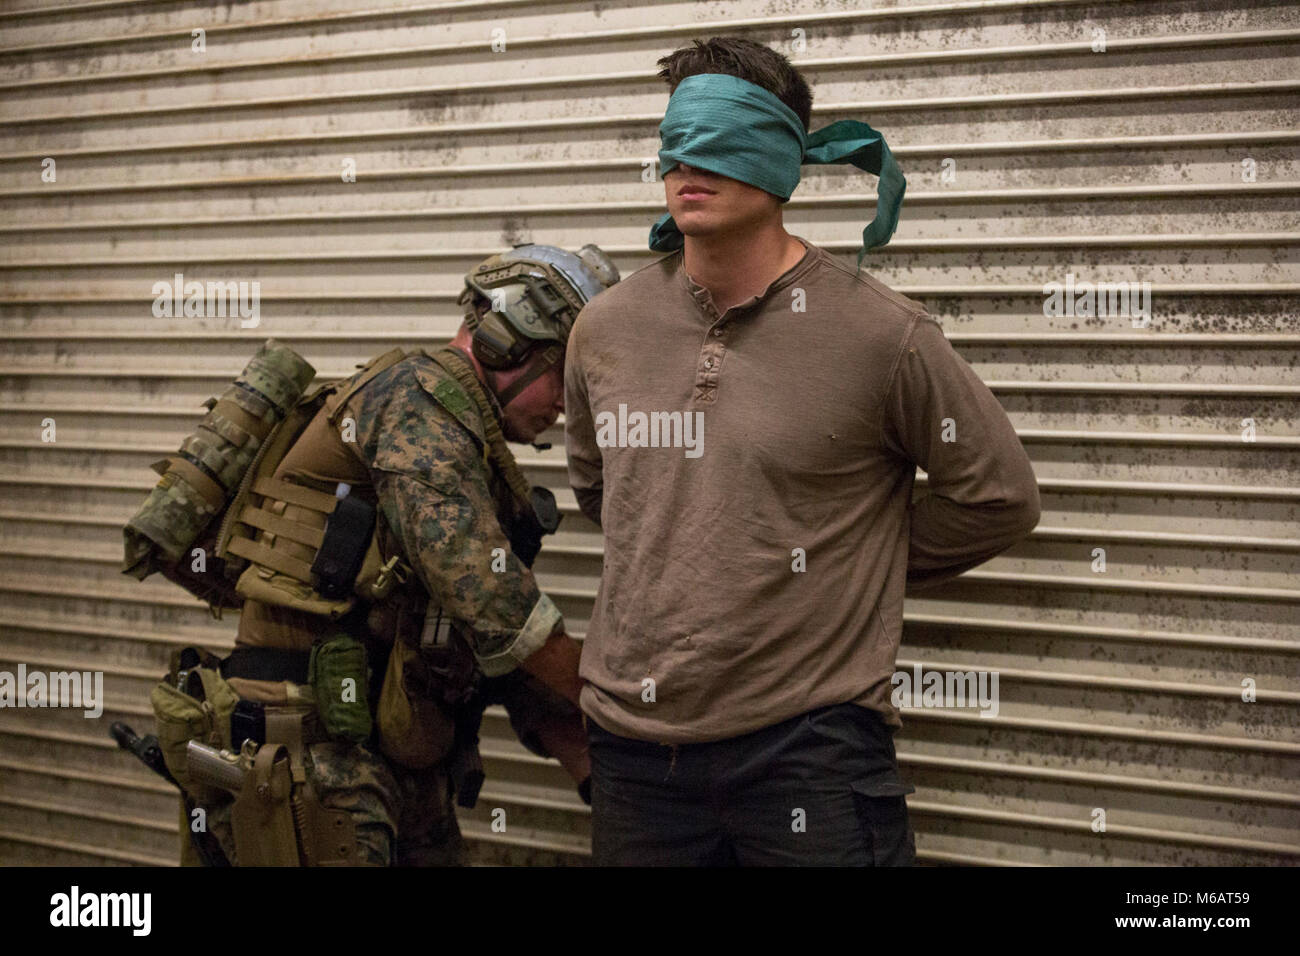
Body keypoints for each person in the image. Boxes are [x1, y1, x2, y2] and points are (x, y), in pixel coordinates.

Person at [564, 37, 1040, 866]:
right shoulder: (605, 327)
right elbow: (608, 495)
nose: (688, 165)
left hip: (807, 751)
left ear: (782, 158)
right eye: (676, 141)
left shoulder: (881, 334)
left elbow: (997, 496)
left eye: (719, 139)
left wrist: (843, 566)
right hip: (634, 751)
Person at [187, 242, 618, 866]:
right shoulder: (418, 401)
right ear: (507, 345)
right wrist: (613, 701)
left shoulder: (469, 440)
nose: (567, 406)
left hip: (387, 737)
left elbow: (492, 645)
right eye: (564, 378)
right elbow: (487, 597)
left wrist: (587, 756)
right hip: (309, 739)